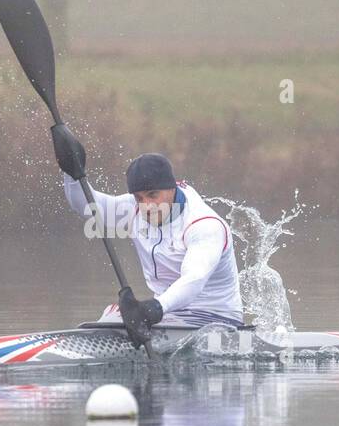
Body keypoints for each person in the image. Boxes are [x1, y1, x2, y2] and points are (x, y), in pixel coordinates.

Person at [51, 124, 243, 341]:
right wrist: (71, 173)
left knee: (119, 321)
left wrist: (153, 309)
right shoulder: (135, 209)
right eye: (139, 198)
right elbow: (87, 206)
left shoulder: (203, 225)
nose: (147, 205)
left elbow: (194, 279)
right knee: (112, 315)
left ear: (172, 188)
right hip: (169, 315)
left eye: (153, 195)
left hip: (216, 320)